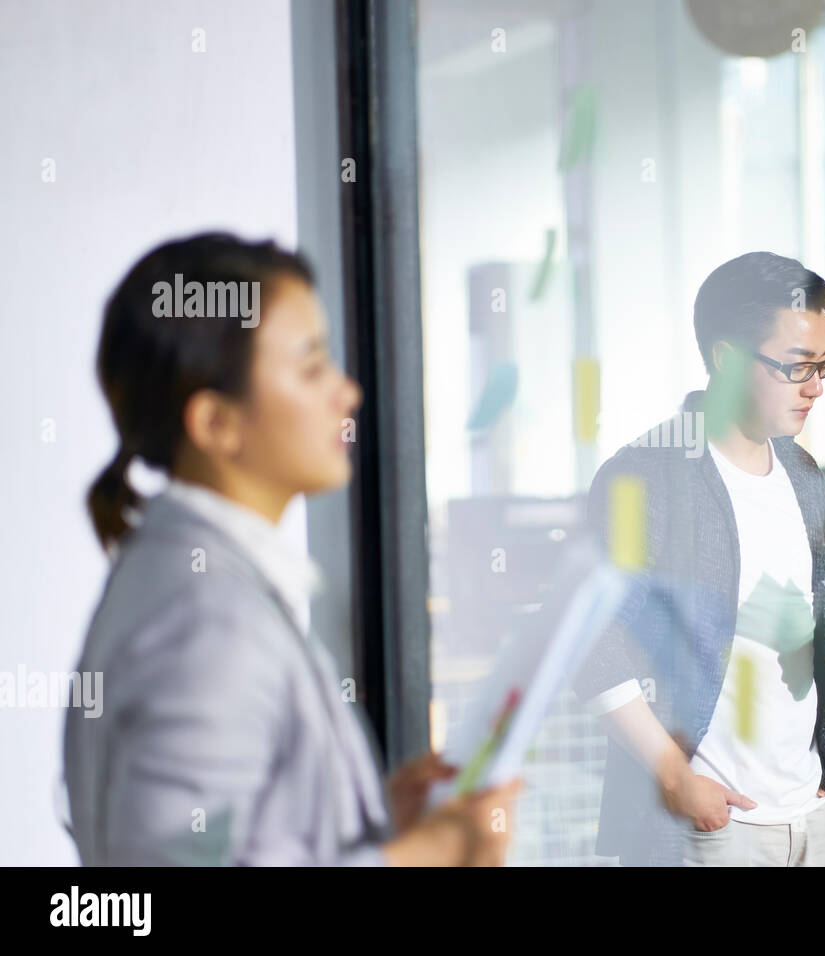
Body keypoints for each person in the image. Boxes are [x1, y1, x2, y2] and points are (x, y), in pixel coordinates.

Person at [64, 233, 518, 866]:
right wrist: (429, 856)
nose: (347, 393)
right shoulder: (205, 618)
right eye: (311, 369)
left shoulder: (201, 579)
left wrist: (377, 823)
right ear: (215, 423)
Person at [574, 251, 825, 867]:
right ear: (727, 359)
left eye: (824, 365)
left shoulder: (801, 473)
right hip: (710, 826)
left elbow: (801, 629)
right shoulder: (646, 476)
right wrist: (674, 779)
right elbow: (586, 639)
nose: (817, 385)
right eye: (797, 367)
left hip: (809, 815)